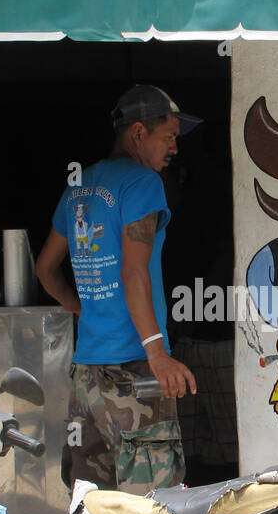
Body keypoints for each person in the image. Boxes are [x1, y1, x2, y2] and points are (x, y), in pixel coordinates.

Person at [35, 86, 200, 493]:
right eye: (169, 136)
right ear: (139, 132)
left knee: (94, 508)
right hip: (133, 371)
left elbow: (44, 269)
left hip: (86, 377)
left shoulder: (80, 187)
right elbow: (133, 271)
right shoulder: (142, 183)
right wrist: (157, 353)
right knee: (153, 510)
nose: (175, 147)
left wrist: (80, 306)